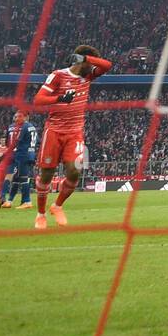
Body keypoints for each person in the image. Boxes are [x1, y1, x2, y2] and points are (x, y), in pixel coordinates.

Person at [32, 45, 112, 229]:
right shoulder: (58, 75)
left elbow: (107, 65)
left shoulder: (88, 76)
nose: (93, 67)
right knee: (46, 174)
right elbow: (38, 100)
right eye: (89, 62)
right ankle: (41, 214)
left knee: (75, 171)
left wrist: (86, 60)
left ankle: (57, 206)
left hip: (75, 132)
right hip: (53, 131)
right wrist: (59, 99)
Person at [0, 112, 38, 209]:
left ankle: (27, 201)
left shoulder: (22, 127)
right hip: (28, 153)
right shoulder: (32, 127)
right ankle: (9, 201)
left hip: (21, 154)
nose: (16, 119)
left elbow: (15, 141)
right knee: (16, 178)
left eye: (19, 117)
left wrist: (5, 154)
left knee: (23, 178)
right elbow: (37, 141)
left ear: (25, 117)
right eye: (16, 117)